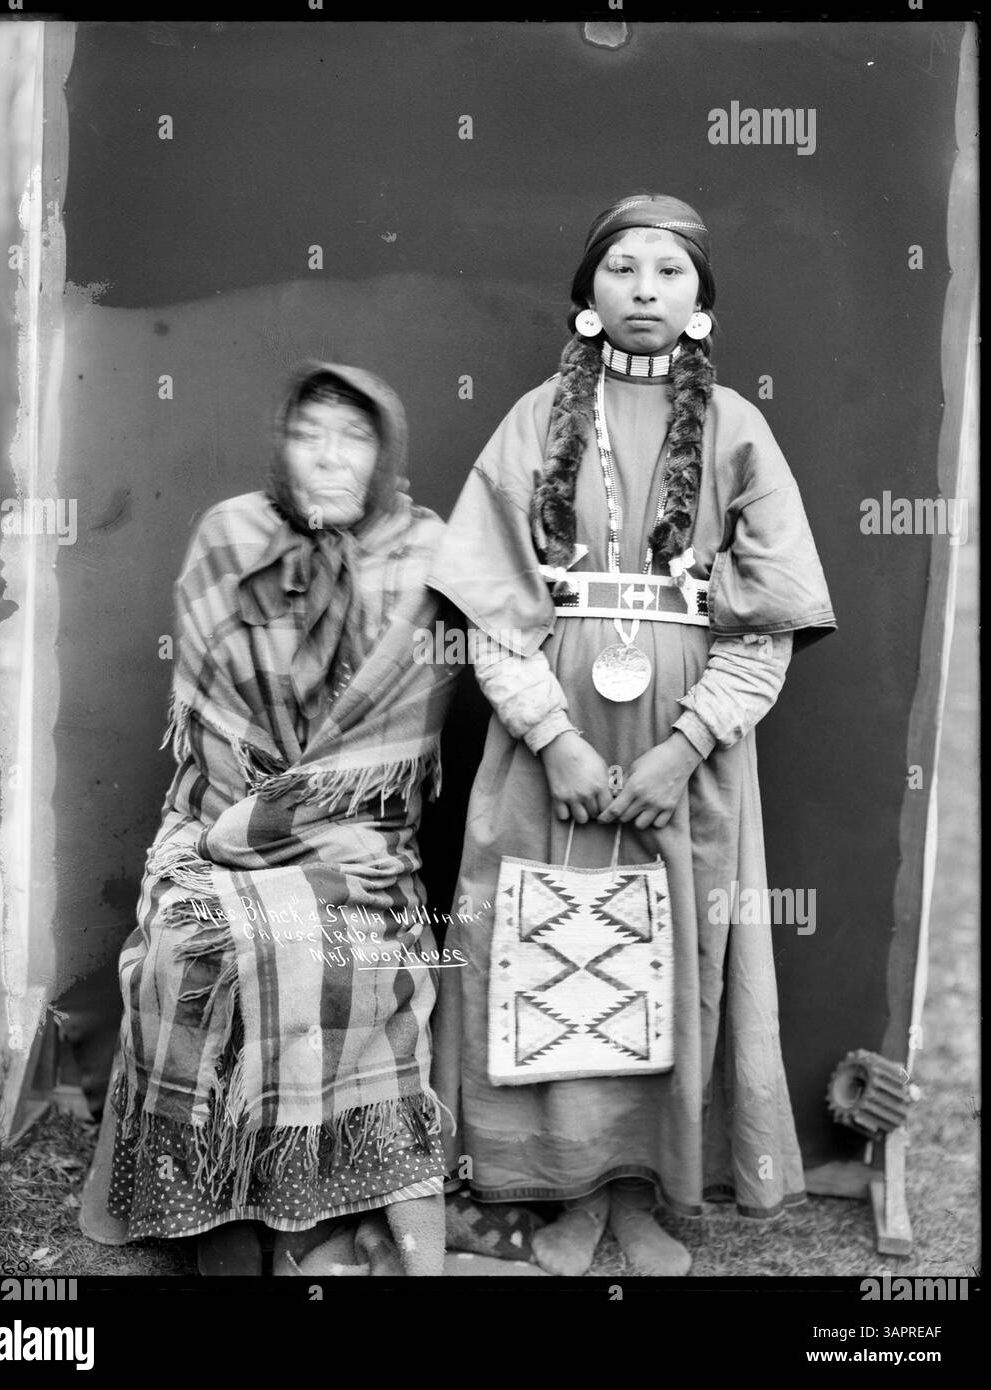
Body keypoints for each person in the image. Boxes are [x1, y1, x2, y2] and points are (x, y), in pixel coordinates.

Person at [428, 192, 837, 1276]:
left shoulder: (739, 430)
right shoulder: (531, 420)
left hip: (680, 746)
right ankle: (562, 1191)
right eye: (621, 269)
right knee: (549, 943)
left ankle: (645, 1194)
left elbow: (772, 624)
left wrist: (683, 747)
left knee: (670, 950)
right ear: (586, 295)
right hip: (547, 742)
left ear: (700, 299)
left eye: (667, 270)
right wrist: (555, 743)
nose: (644, 288)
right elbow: (486, 607)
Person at [80, 361, 459, 1275]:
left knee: (340, 958)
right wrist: (291, 860)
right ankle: (221, 1214)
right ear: (280, 445)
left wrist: (327, 858)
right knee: (196, 950)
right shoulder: (230, 537)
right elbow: (216, 764)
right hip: (215, 837)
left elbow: (397, 750)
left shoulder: (425, 555)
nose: (330, 458)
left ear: (385, 453)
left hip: (368, 842)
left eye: (354, 437)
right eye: (309, 434)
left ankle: (303, 1209)